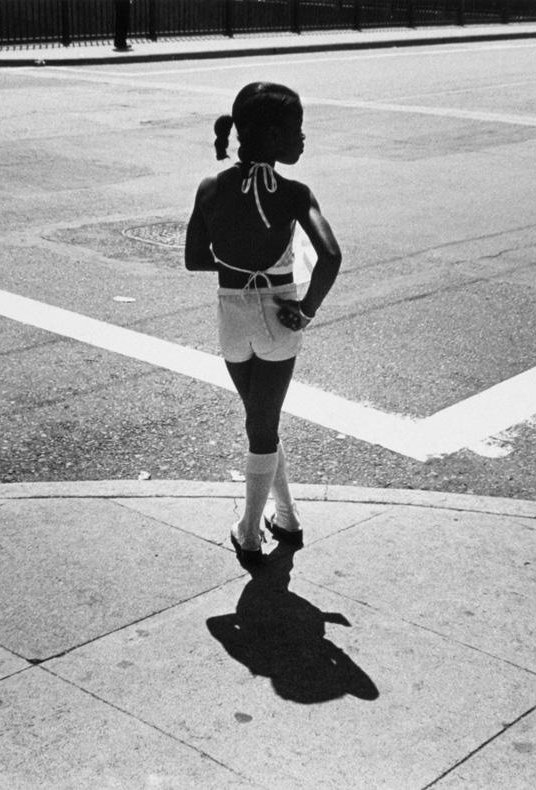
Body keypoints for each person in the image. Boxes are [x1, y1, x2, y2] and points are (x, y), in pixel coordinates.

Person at [185, 82, 342, 566]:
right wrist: (306, 310)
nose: (302, 139)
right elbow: (331, 257)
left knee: (260, 420)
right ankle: (250, 532)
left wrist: (236, 266)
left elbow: (193, 259)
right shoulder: (295, 194)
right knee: (263, 424)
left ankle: (287, 515)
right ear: (272, 135)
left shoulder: (211, 188)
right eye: (296, 130)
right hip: (280, 315)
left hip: (231, 315)